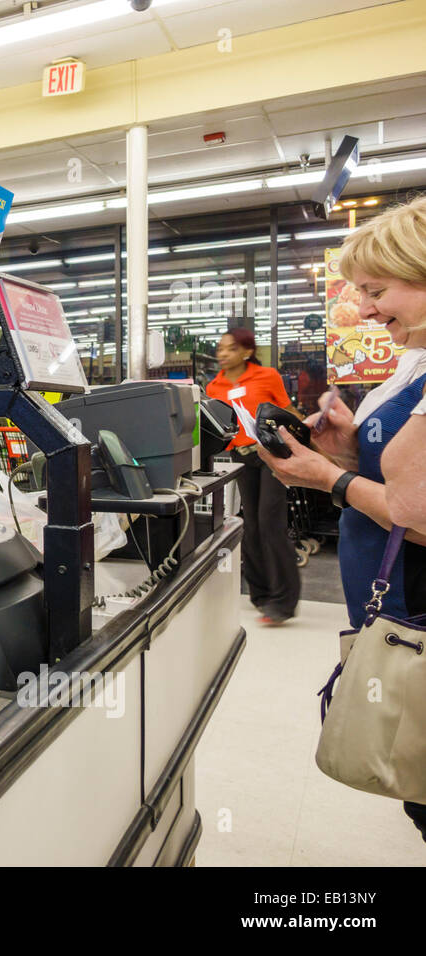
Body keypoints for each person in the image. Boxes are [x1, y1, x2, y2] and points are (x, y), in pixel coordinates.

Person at [257, 195, 426, 843]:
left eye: (377, 290)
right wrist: (351, 450)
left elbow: (416, 511)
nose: (363, 310)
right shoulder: (413, 357)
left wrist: (329, 478)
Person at [204, 327, 302, 625]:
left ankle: (284, 601)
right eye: (220, 348)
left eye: (230, 348)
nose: (222, 354)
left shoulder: (267, 376)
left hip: (272, 454)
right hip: (241, 457)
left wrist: (307, 439)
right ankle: (261, 596)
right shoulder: (214, 388)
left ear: (246, 352)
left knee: (271, 522)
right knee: (253, 526)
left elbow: (287, 410)